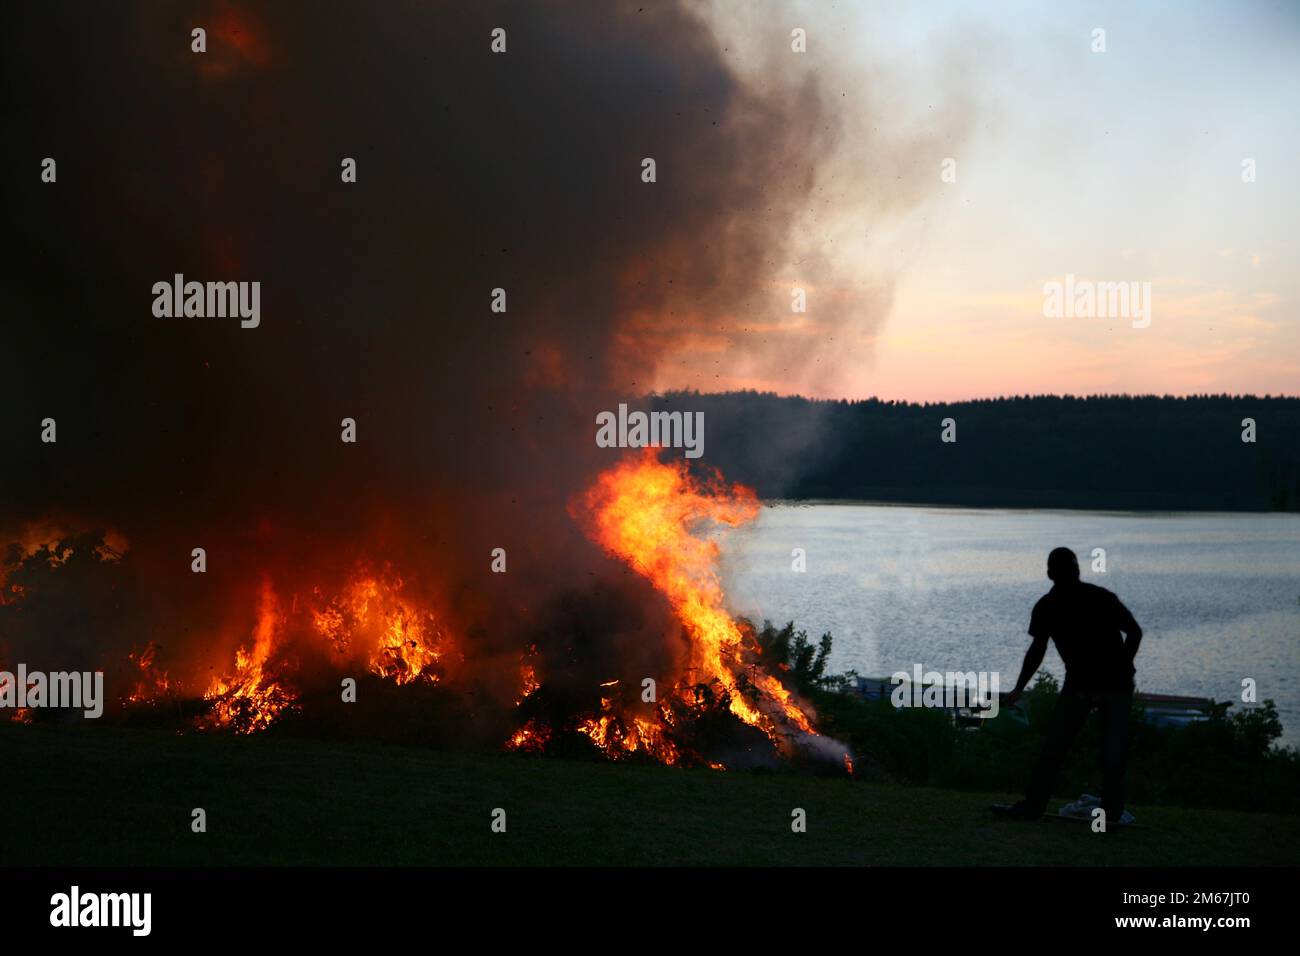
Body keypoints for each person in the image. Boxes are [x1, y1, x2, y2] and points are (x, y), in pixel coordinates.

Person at [993, 547, 1142, 824]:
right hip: (1083, 686)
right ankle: (1037, 807)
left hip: (1114, 685)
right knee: (1064, 748)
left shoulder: (1094, 599)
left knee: (1102, 752)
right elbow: (1037, 650)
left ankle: (1105, 814)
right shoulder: (1053, 606)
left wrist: (1117, 672)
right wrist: (1018, 687)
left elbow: (1134, 633)